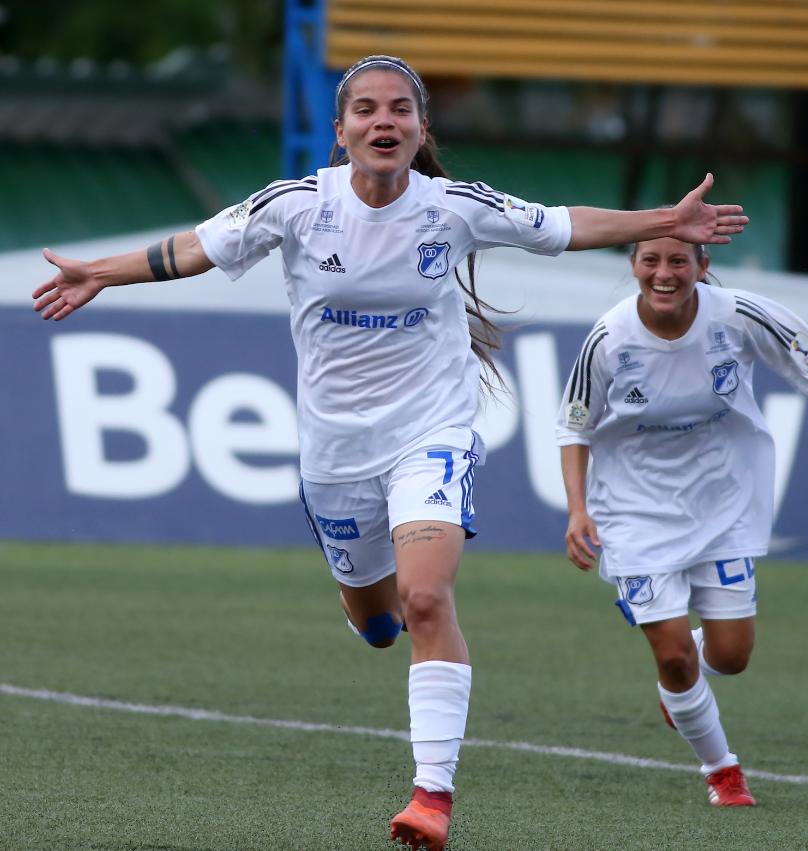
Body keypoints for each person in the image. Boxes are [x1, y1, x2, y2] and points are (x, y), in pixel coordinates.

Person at [30, 54, 748, 851]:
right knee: (378, 622)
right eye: (366, 109)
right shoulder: (298, 206)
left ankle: (431, 797)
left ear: (419, 129)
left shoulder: (453, 208)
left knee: (429, 601)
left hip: (430, 436)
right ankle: (369, 615)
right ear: (339, 132)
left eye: (399, 110)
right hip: (336, 456)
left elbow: (561, 224)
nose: (383, 121)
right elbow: (194, 248)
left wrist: (662, 222)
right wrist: (99, 271)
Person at [556, 235, 808, 807]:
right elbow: (574, 427)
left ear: (704, 265)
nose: (665, 273)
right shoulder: (608, 337)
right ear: (633, 267)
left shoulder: (740, 315)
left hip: (723, 507)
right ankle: (722, 770)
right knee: (672, 654)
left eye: (679, 260)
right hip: (635, 514)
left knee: (730, 656)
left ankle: (682, 683)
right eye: (651, 260)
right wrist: (578, 507)